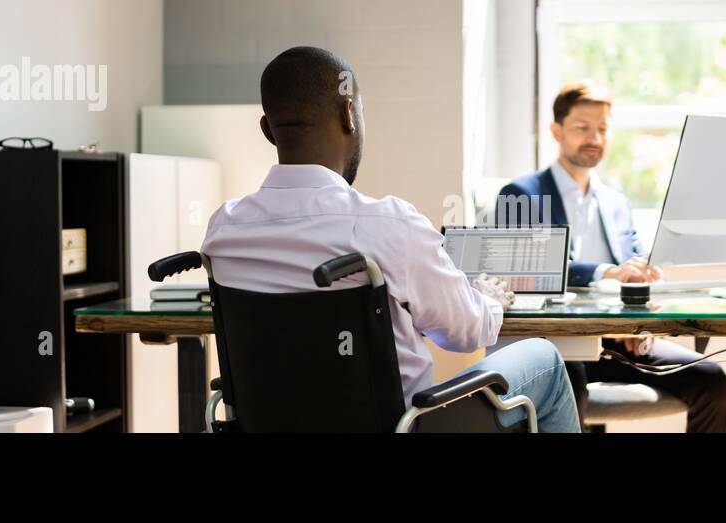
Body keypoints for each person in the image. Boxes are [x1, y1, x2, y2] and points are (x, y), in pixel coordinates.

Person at [201, 46, 580, 432]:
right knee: (545, 360)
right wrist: (488, 299)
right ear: (349, 115)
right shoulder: (387, 223)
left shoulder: (224, 230)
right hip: (402, 426)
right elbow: (466, 332)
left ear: (267, 130)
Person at [496, 82, 726, 432]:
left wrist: (642, 318)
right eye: (582, 128)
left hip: (620, 341)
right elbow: (527, 272)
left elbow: (637, 268)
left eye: (603, 129)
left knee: (711, 381)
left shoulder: (615, 202)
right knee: (567, 389)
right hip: (561, 343)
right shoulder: (522, 195)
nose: (595, 138)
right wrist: (607, 273)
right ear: (556, 131)